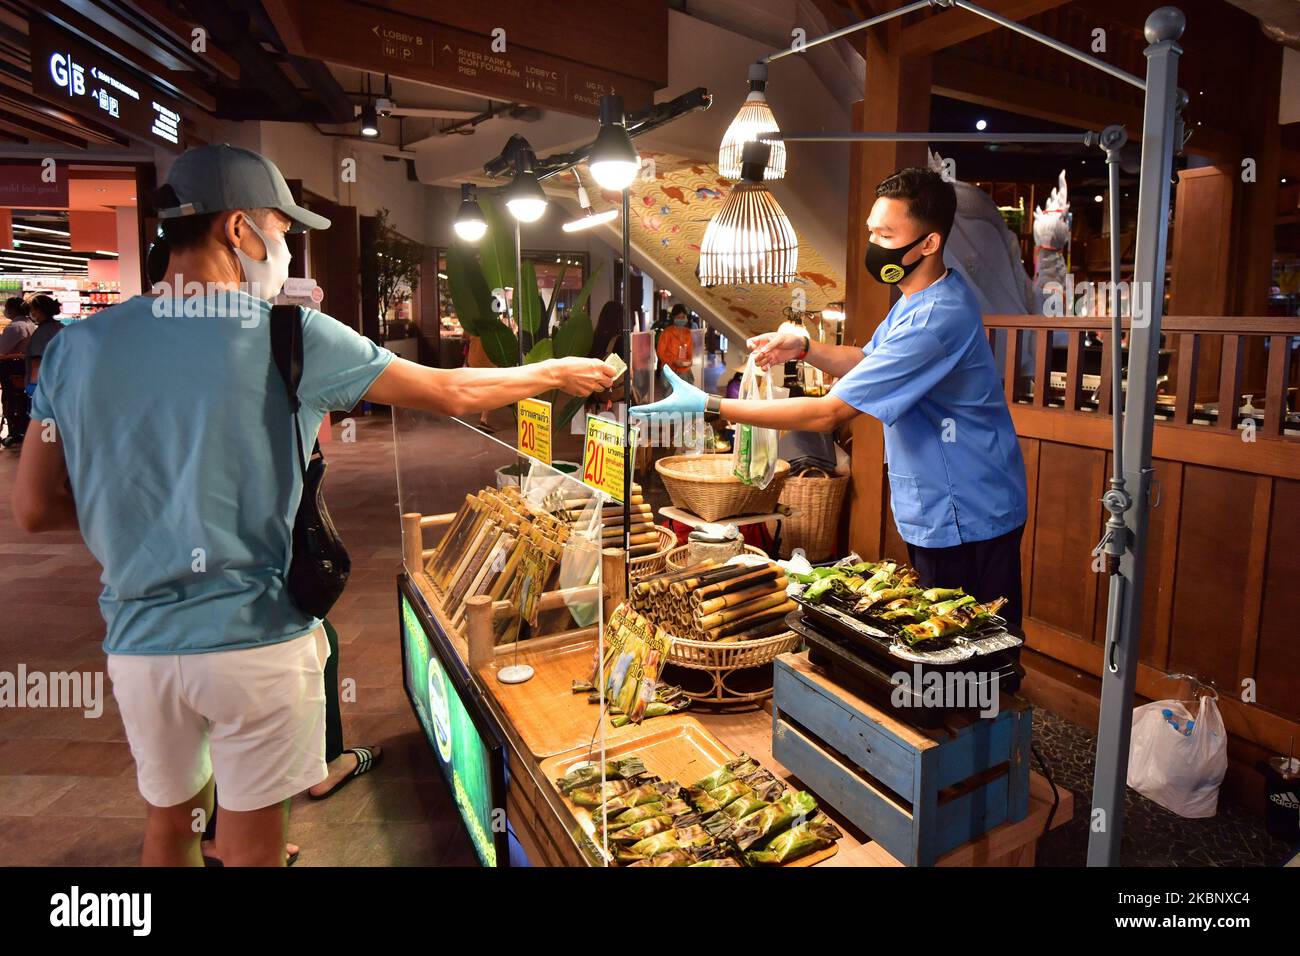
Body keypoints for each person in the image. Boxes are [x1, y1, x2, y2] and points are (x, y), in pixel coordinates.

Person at [11, 143, 614, 867]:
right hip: (255, 641)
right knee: (251, 850)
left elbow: (34, 509)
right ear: (239, 229)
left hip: (139, 643)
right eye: (280, 227)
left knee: (169, 829)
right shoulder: (286, 333)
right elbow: (449, 391)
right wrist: (553, 370)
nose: (286, 247)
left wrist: (147, 517)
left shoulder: (77, 348)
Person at [633, 167, 1028, 625]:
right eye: (871, 231)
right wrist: (804, 347)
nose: (875, 244)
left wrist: (711, 405)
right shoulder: (916, 297)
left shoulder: (935, 319)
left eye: (887, 233)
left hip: (969, 504)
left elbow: (829, 412)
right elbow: (868, 360)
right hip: (942, 498)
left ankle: (989, 698)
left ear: (929, 244)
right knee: (944, 634)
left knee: (970, 640)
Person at [0, 297, 35, 447]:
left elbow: (2, 351)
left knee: (10, 399)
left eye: (6, 307)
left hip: (11, 369)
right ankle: (22, 429)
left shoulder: (15, 327)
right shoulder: (31, 324)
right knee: (22, 400)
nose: (5, 311)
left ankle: (14, 432)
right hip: (26, 369)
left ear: (13, 310)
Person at [656, 304, 694, 384]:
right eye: (678, 317)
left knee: (685, 394)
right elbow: (660, 352)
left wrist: (689, 361)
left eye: (683, 317)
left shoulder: (688, 332)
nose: (681, 319)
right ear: (673, 318)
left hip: (684, 370)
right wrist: (674, 361)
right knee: (671, 394)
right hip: (670, 370)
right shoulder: (667, 332)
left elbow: (690, 351)